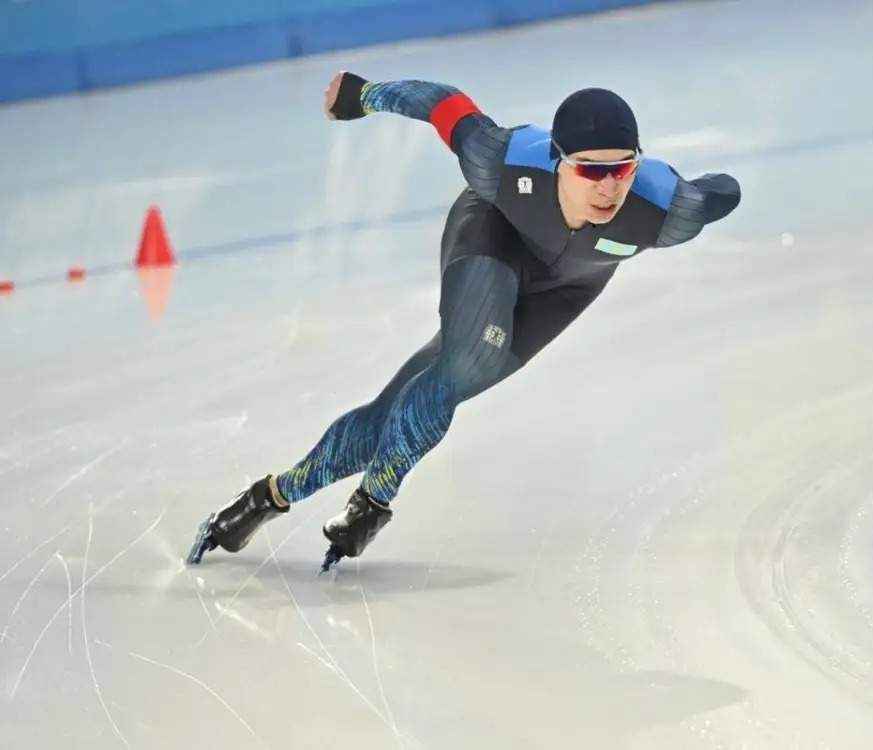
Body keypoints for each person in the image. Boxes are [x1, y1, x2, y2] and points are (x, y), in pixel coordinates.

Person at [188, 71, 741, 571]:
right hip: (492, 234)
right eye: (590, 170)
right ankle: (374, 500)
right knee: (465, 361)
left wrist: (720, 185)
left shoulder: (667, 210)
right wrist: (363, 95)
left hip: (567, 290)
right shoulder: (503, 160)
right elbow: (445, 104)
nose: (608, 186)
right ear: (556, 159)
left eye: (622, 168)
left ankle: (269, 496)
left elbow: (721, 191)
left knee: (409, 407)